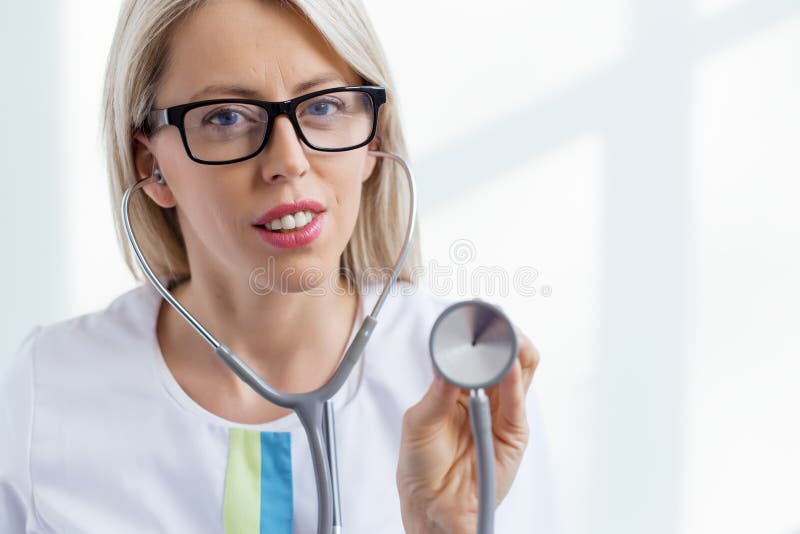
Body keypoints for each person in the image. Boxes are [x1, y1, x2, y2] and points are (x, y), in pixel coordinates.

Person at [0, 0, 554, 532]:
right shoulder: (50, 390)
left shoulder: (471, 388)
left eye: (323, 106)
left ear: (373, 136)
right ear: (153, 167)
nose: (288, 162)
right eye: (226, 117)